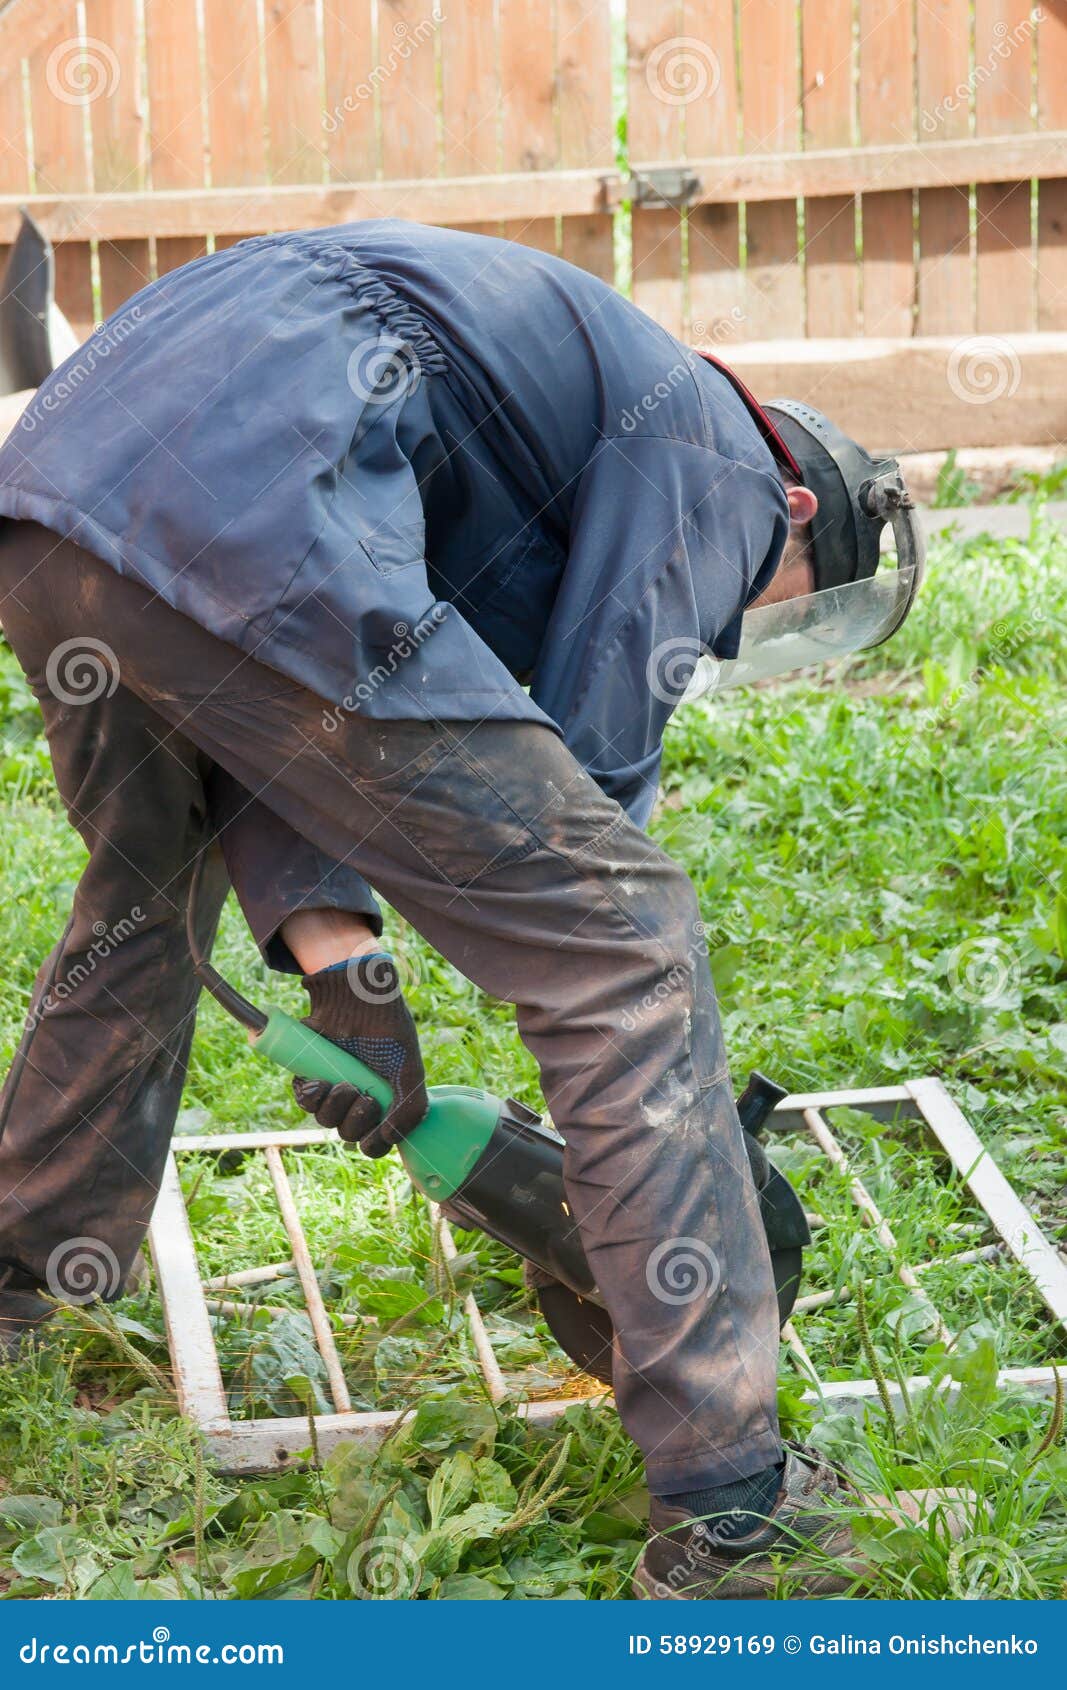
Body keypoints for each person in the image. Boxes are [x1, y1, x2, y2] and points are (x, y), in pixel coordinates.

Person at [0, 221, 921, 1598]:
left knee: (147, 903)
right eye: (790, 609)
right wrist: (633, 1105)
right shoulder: (720, 461)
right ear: (802, 514)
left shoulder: (580, 405)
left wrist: (345, 964)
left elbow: (284, 699)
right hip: (249, 498)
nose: (747, 629)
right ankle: (733, 1522)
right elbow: (582, 793)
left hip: (59, 511)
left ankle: (19, 1287)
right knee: (628, 943)